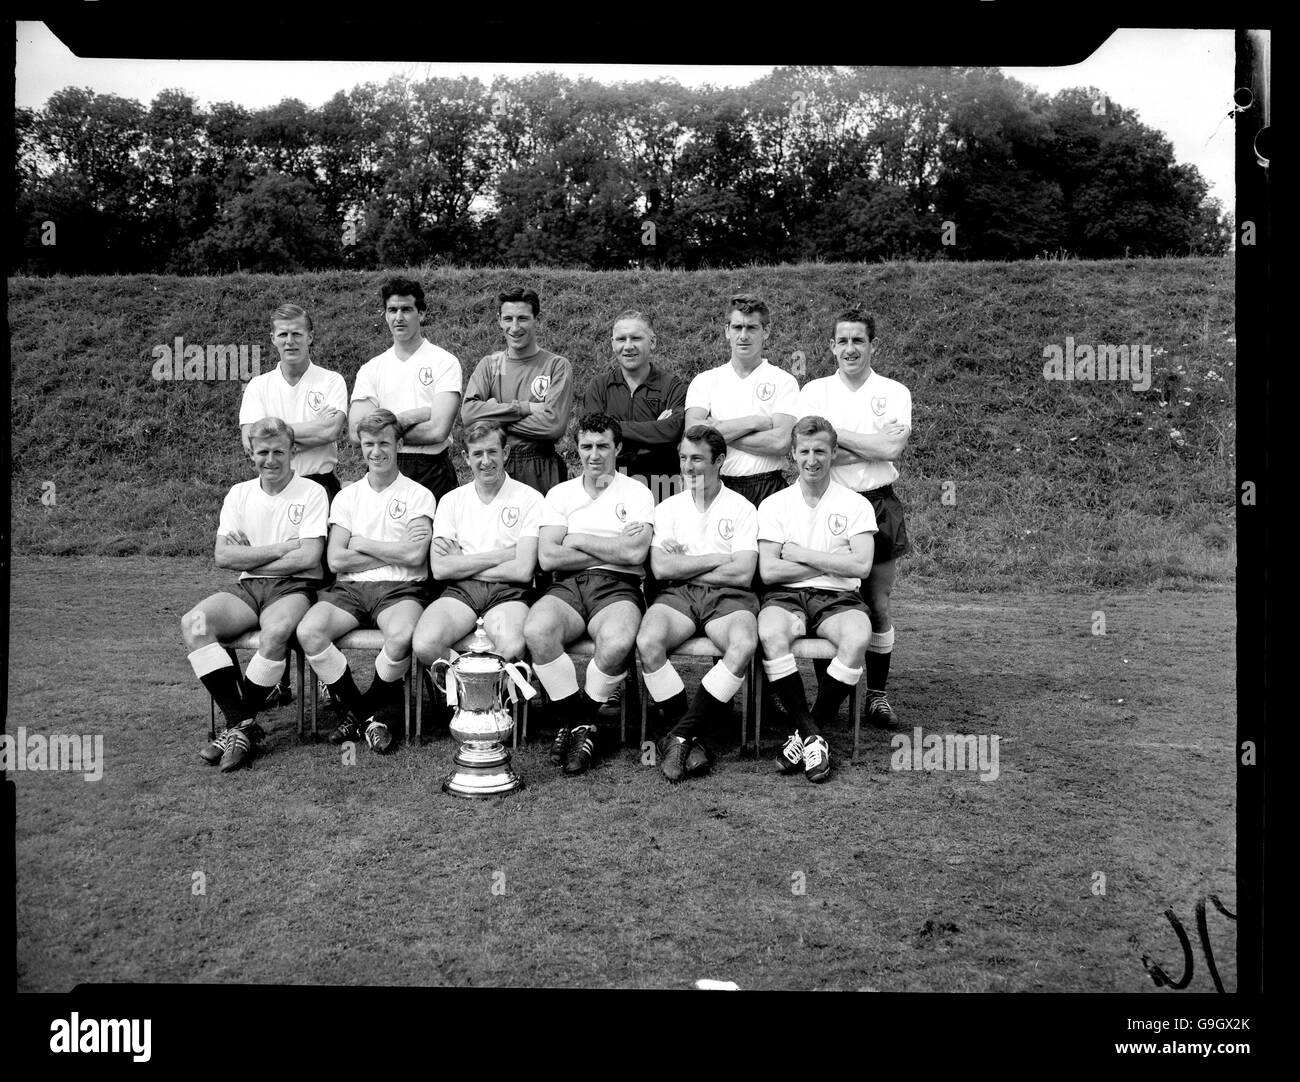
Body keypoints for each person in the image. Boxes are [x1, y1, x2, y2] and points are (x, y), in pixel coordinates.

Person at [181, 418, 328, 772]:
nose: (271, 459)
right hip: (249, 586)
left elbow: (309, 559)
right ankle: (242, 724)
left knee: (276, 632)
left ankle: (236, 726)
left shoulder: (312, 492)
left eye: (279, 451)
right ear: (251, 455)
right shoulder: (239, 493)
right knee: (194, 623)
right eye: (263, 452)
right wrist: (281, 549)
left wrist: (252, 555)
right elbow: (223, 557)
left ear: (293, 453)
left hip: (294, 588)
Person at [795, 309, 911, 725]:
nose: (850, 349)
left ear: (872, 345)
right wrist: (870, 443)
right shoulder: (814, 391)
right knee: (827, 595)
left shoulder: (895, 391)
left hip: (879, 502)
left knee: (877, 602)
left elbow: (891, 451)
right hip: (830, 503)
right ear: (831, 346)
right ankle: (830, 696)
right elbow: (813, 448)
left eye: (858, 340)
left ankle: (876, 695)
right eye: (842, 341)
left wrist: (837, 438)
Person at [296, 410, 435, 754]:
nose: (376, 451)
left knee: (402, 635)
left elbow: (416, 557)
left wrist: (362, 543)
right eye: (369, 444)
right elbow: (335, 559)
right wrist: (395, 550)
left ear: (399, 444)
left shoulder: (419, 494)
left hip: (400, 589)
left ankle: (358, 714)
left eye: (384, 442)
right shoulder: (347, 497)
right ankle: (368, 715)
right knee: (309, 631)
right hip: (350, 589)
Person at [523, 412, 654, 775]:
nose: (594, 455)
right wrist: (610, 543)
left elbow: (634, 555)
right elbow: (548, 555)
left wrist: (577, 538)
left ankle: (575, 723)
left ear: (618, 448)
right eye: (586, 446)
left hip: (617, 586)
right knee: (537, 630)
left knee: (616, 642)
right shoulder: (560, 494)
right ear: (576, 449)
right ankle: (582, 723)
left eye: (602, 446)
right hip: (567, 585)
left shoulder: (638, 493)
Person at [756, 416, 877, 783]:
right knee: (771, 634)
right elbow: (769, 573)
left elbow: (862, 565)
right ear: (792, 454)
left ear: (834, 453)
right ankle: (813, 736)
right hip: (786, 596)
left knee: (857, 637)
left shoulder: (856, 504)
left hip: (838, 597)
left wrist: (800, 554)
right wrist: (831, 564)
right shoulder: (774, 505)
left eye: (820, 451)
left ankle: (806, 733)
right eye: (804, 451)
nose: (812, 459)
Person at [636, 426, 759, 782]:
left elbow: (744, 573)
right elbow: (661, 567)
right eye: (684, 459)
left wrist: (688, 564)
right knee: (648, 641)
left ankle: (680, 735)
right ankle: (690, 734)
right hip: (679, 595)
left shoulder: (742, 508)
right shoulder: (669, 507)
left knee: (743, 643)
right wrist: (718, 559)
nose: (689, 467)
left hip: (728, 598)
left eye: (698, 459)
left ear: (719, 461)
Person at [239, 303, 347, 707]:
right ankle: (277, 677)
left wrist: (277, 431)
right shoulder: (259, 386)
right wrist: (294, 436)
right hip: (275, 489)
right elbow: (251, 440)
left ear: (311, 336)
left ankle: (324, 670)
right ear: (273, 339)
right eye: (282, 334)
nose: (290, 341)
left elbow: (331, 428)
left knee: (323, 576)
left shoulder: (331, 380)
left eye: (297, 333)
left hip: (319, 484)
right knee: (278, 573)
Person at [411, 420, 544, 681]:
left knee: (512, 646)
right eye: (477, 454)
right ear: (465, 458)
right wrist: (503, 554)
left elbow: (522, 570)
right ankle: (472, 691)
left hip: (508, 593)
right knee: (425, 644)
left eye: (492, 452)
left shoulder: (530, 499)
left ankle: (485, 703)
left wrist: (463, 562)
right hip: (461, 592)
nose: (486, 461)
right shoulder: (451, 501)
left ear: (505, 453)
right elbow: (440, 569)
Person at [349, 277, 462, 503]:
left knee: (434, 538)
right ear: (385, 315)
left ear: (421, 314)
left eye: (406, 309)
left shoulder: (444, 362)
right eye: (392, 310)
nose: (399, 317)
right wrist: (415, 415)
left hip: (432, 470)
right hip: (384, 466)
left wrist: (381, 433)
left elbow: (437, 430)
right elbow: (356, 432)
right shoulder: (371, 369)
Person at [683, 293, 799, 511]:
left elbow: (780, 443)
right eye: (737, 328)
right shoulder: (705, 381)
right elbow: (694, 437)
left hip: (767, 487)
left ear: (766, 331)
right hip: (717, 485)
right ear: (727, 331)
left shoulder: (784, 381)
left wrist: (717, 432)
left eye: (751, 328)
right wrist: (754, 422)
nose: (743, 335)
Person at [460, 287, 574, 495]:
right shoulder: (491, 365)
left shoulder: (555, 365)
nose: (514, 327)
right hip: (495, 462)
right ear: (499, 320)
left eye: (522, 318)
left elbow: (553, 425)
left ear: (535, 320)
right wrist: (525, 408)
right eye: (508, 319)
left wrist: (493, 419)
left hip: (539, 465)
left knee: (542, 526)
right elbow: (468, 414)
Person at [580, 309, 687, 499]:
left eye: (636, 338)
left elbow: (671, 431)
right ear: (613, 344)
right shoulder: (599, 387)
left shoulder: (672, 386)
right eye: (621, 339)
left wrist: (611, 426)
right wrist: (654, 429)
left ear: (652, 342)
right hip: (609, 485)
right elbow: (594, 434)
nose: (628, 346)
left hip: (661, 485)